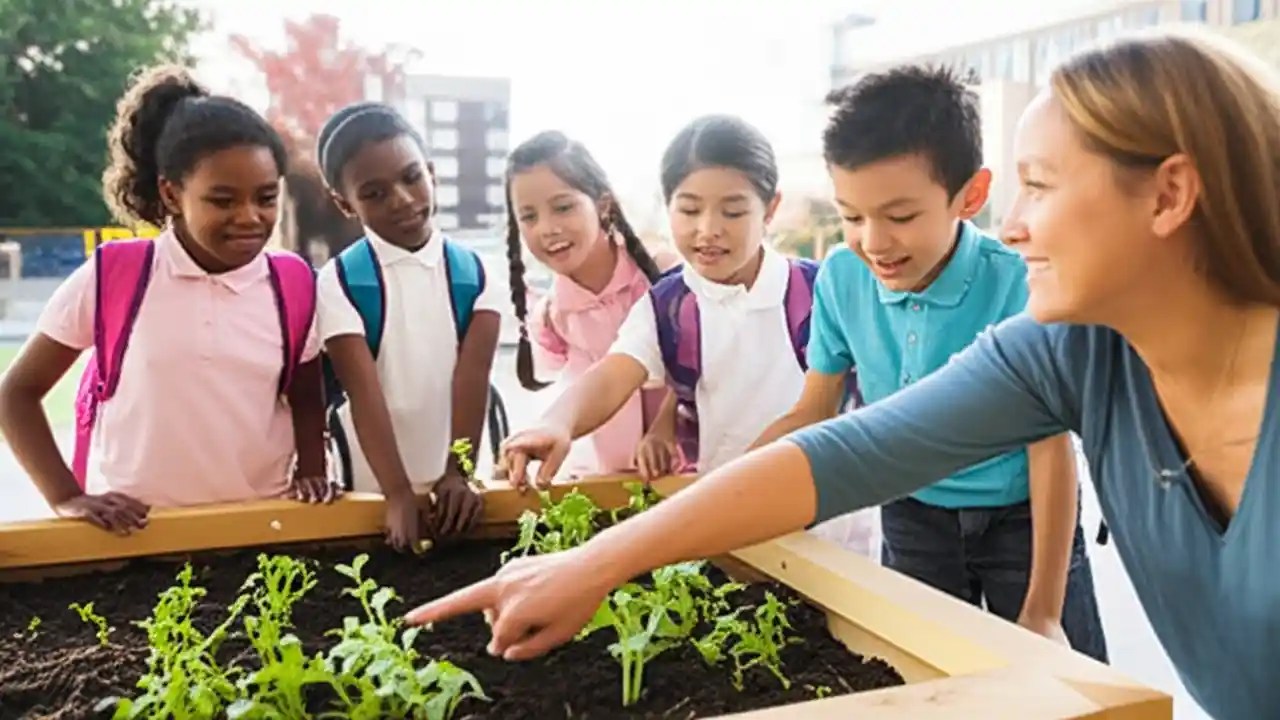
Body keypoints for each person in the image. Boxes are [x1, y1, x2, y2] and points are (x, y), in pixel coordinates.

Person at [405, 28, 1280, 719]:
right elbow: (845, 453)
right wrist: (590, 566)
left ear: (1169, 195)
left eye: (1040, 186)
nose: (1013, 225)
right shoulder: (1070, 351)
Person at [751, 66, 1105, 659]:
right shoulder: (841, 278)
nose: (874, 242)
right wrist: (717, 494)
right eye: (852, 216)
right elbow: (814, 409)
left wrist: (1043, 608)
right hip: (915, 517)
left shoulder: (1021, 281)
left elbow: (1050, 449)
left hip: (1024, 522)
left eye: (901, 216)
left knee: (1066, 676)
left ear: (970, 195)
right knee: (922, 671)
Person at [0, 65, 332, 533]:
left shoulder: (293, 282)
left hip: (262, 535)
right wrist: (66, 496)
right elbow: (16, 394)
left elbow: (305, 395)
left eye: (265, 197)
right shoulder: (114, 274)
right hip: (136, 540)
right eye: (222, 200)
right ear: (172, 193)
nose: (250, 217)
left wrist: (314, 472)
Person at [499, 115, 824, 490]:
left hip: (823, 516)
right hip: (726, 507)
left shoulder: (816, 292)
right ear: (667, 206)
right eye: (688, 210)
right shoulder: (668, 304)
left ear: (770, 209)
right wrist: (556, 423)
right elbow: (613, 374)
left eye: (732, 211)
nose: (708, 229)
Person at [316, 103, 500, 551]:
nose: (401, 199)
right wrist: (396, 491)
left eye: (411, 177)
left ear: (431, 173)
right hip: (374, 478)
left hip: (464, 474)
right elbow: (364, 393)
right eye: (374, 193)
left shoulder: (477, 273)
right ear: (345, 204)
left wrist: (460, 472)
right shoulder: (340, 280)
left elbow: (472, 377)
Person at [504, 130, 680, 478]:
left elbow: (698, 367)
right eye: (529, 216)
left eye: (563, 207)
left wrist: (665, 428)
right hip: (608, 481)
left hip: (682, 470)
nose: (547, 229)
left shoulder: (663, 277)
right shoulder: (554, 317)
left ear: (602, 205)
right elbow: (573, 400)